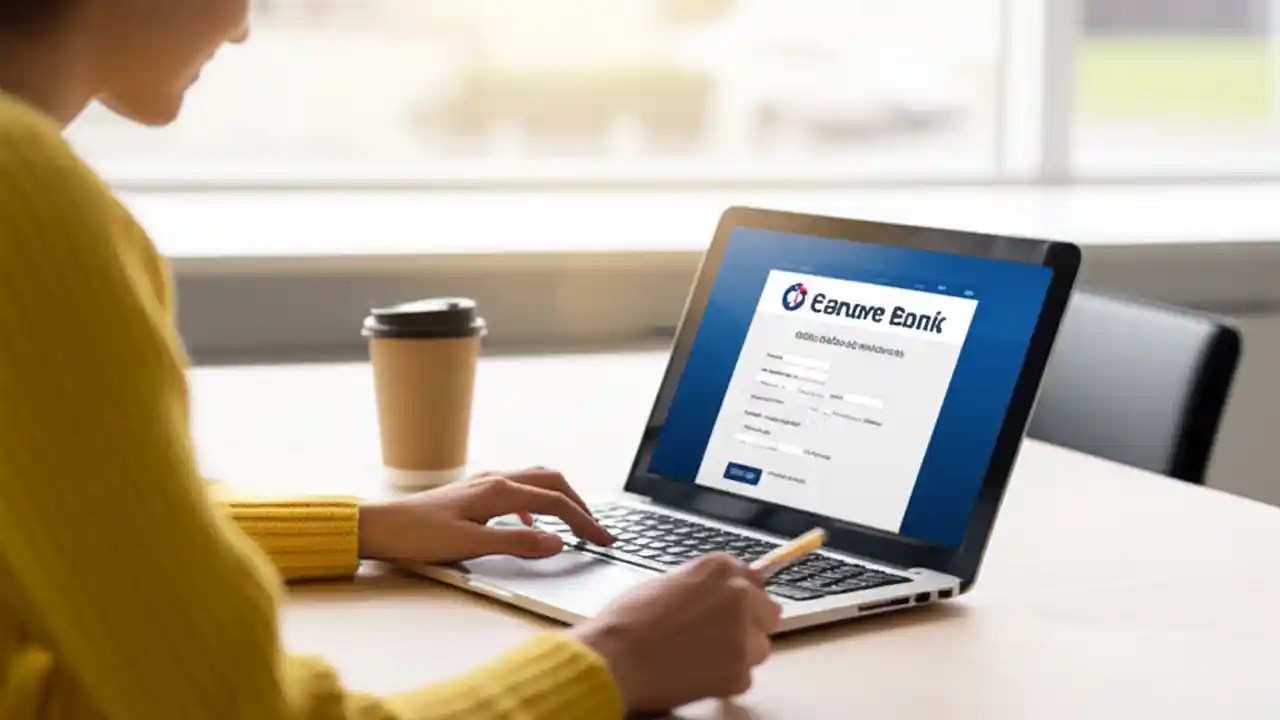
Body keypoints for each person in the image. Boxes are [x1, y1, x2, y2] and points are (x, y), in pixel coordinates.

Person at [0, 1, 781, 718]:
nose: (241, 27)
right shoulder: (23, 195)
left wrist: (366, 527)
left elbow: (51, 542)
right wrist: (614, 663)